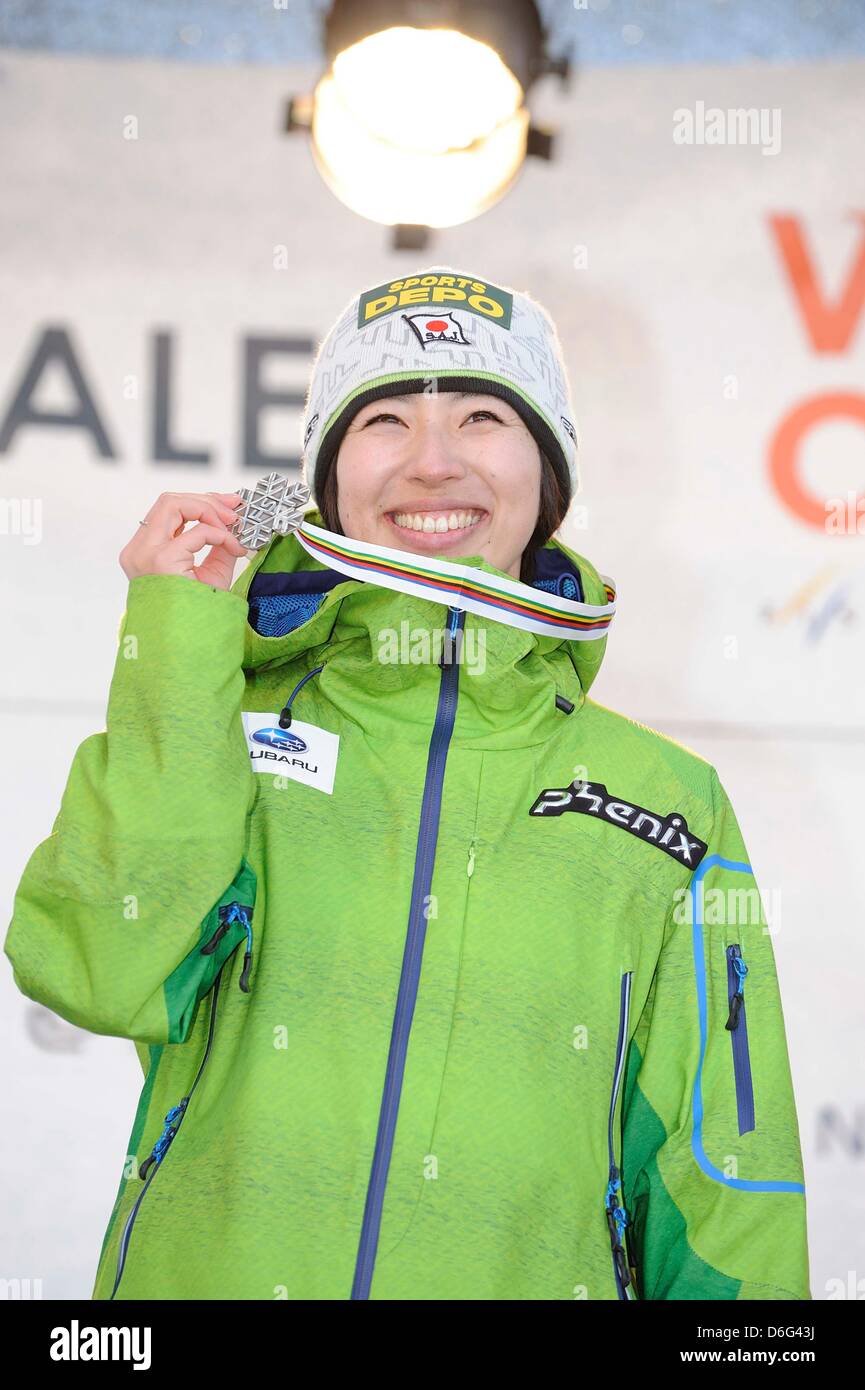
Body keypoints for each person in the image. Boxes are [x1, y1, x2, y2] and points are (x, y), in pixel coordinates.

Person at [4, 265, 811, 1301]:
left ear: (546, 474)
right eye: (383, 420)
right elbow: (96, 967)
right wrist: (173, 640)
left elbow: (724, 1185)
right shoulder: (223, 722)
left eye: (482, 415)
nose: (432, 464)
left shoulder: (664, 799)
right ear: (327, 478)